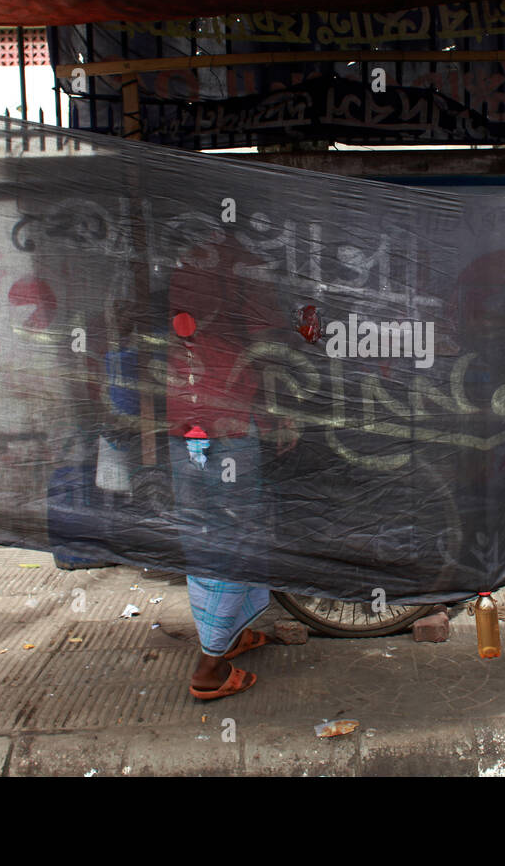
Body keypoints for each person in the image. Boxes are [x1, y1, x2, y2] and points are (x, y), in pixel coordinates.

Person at [167, 232, 296, 700]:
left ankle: (232, 636)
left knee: (208, 534)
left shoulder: (178, 272)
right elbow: (270, 348)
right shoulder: (243, 274)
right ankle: (210, 665)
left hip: (185, 426)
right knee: (232, 538)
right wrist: (281, 412)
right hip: (228, 428)